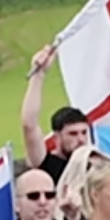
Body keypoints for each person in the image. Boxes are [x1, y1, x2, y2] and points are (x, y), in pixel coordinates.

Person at [20, 44, 93, 186]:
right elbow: (29, 125)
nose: (81, 139)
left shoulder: (94, 166)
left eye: (84, 132)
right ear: (57, 137)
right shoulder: (46, 163)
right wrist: (38, 75)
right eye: (73, 134)